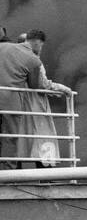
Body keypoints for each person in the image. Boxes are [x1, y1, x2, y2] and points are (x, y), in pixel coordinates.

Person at [0, 29, 71, 167]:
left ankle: (13, 176)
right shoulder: (33, 60)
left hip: (18, 104)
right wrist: (62, 89)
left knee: (16, 141)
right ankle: (44, 178)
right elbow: (40, 84)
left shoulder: (9, 55)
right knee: (42, 139)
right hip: (33, 106)